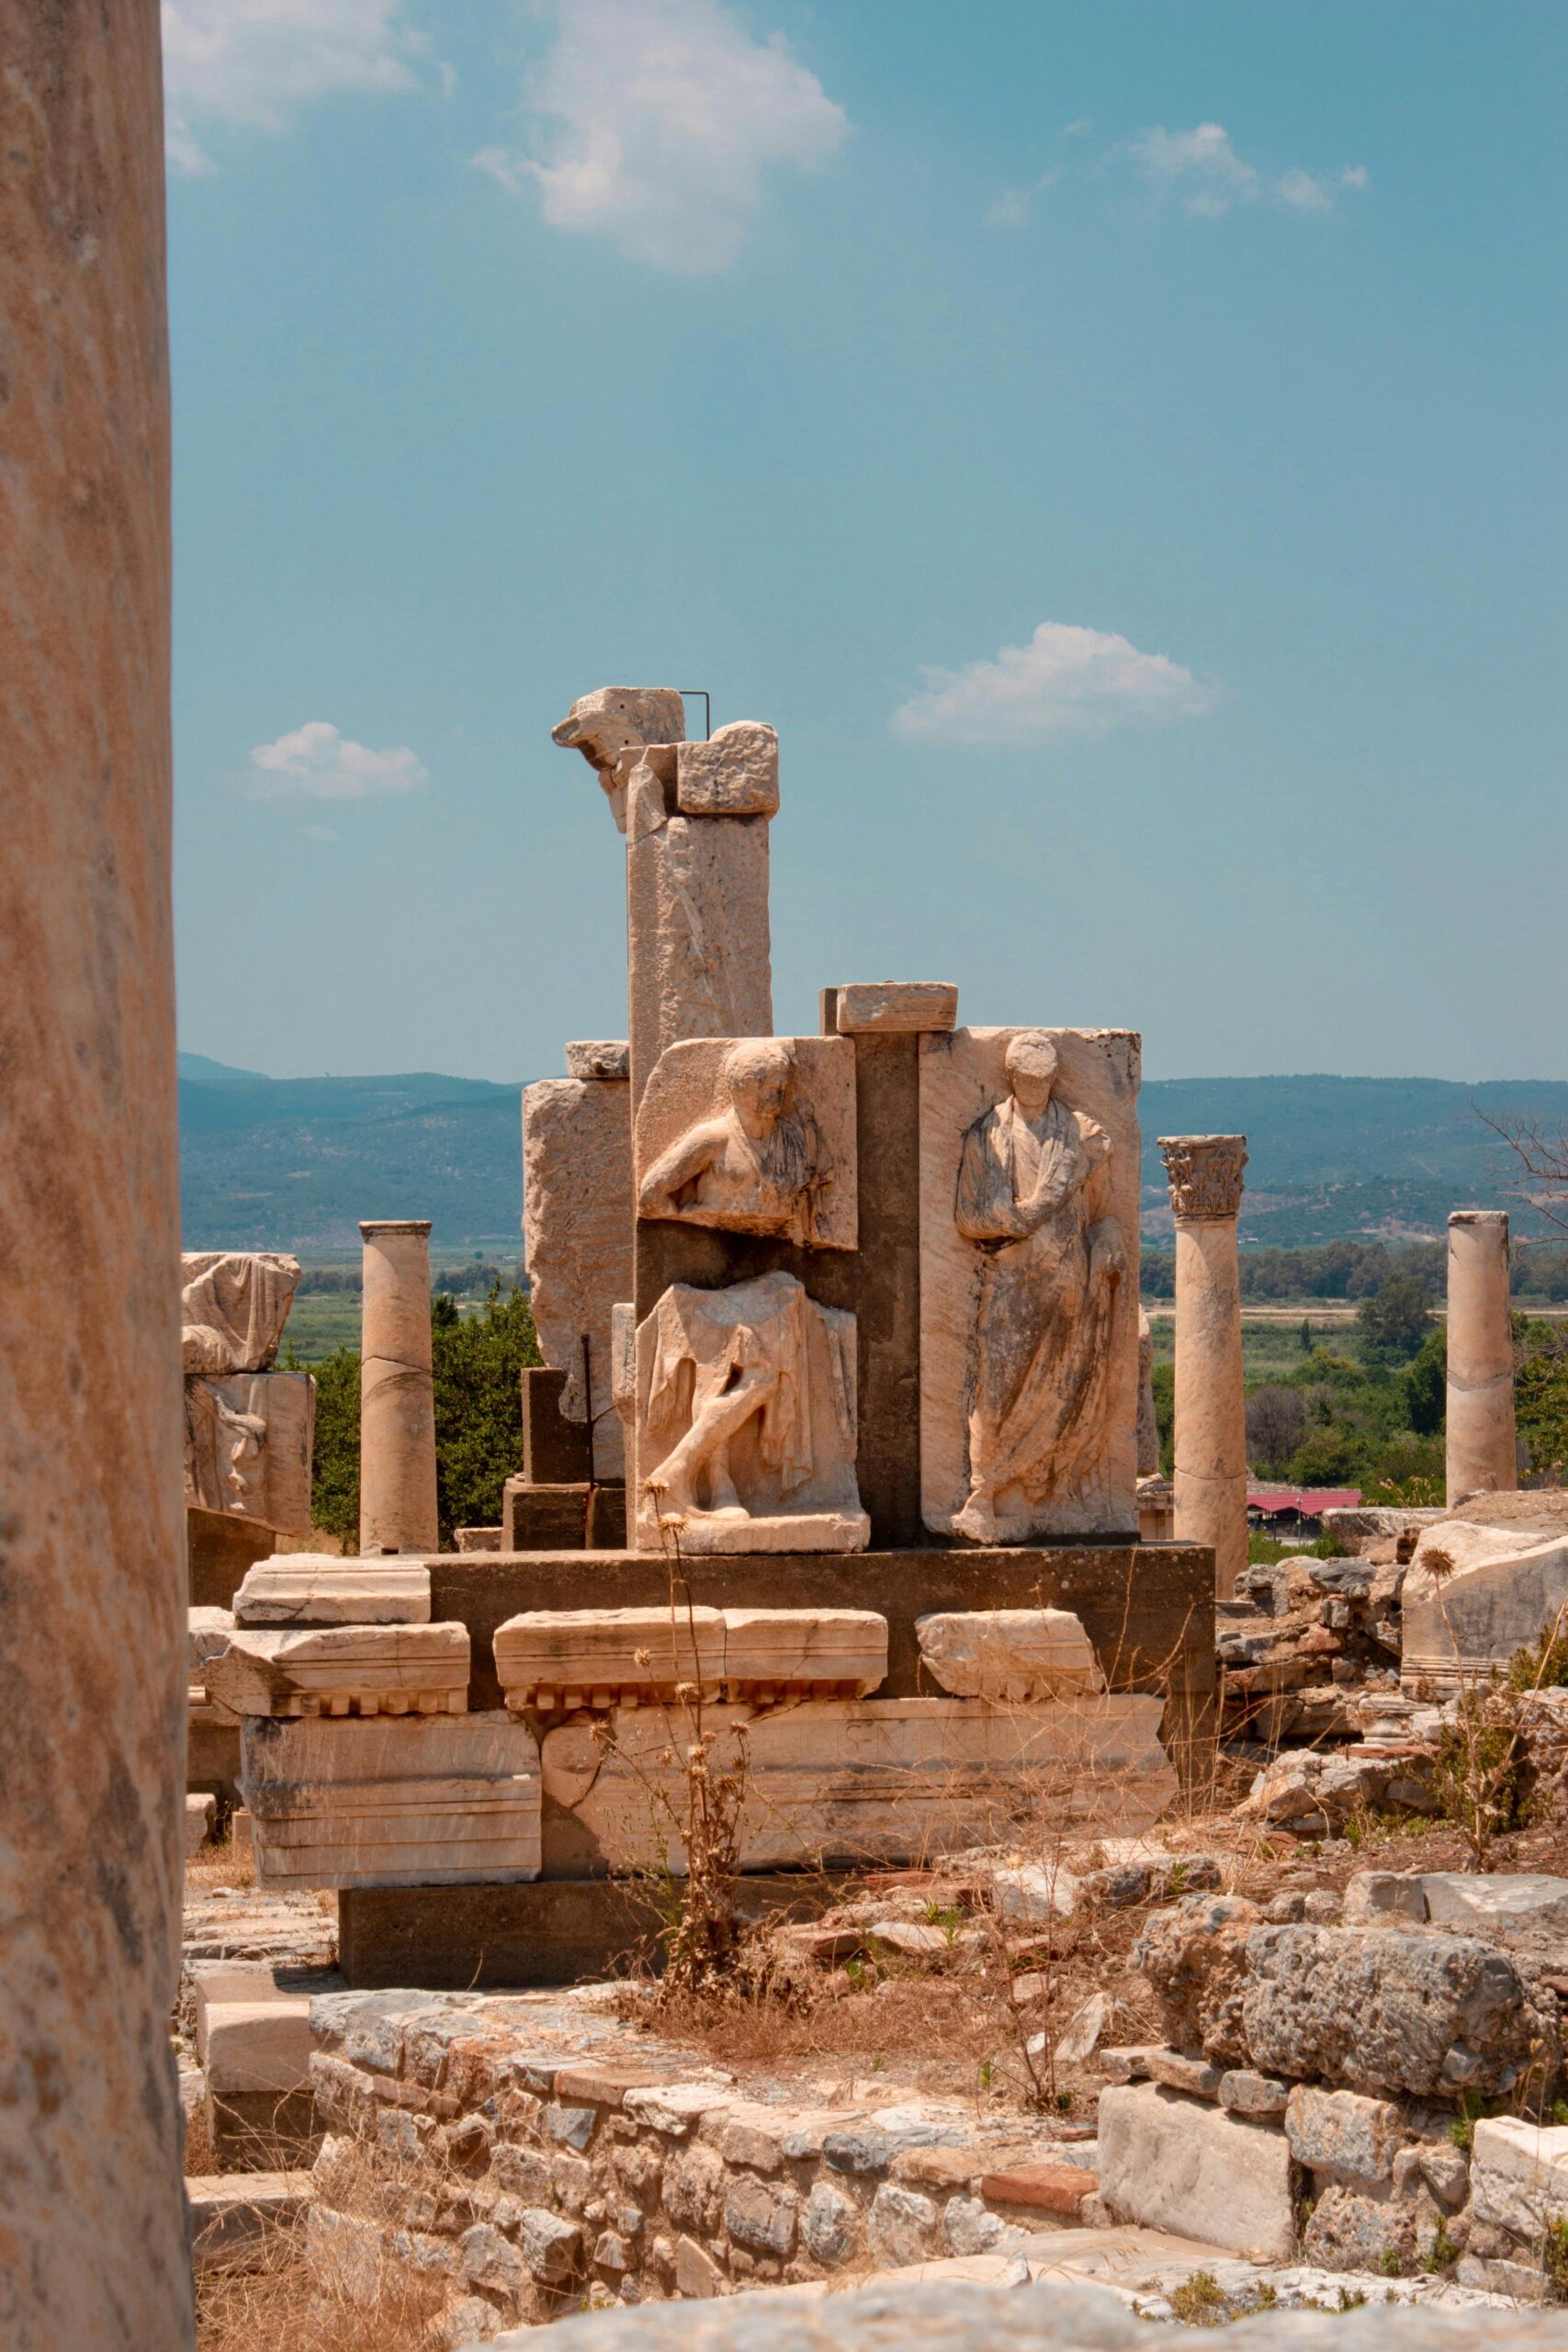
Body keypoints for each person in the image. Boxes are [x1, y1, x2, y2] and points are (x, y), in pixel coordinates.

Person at [953, 1031, 1123, 1543]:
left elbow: (1104, 1212)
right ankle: (985, 1492)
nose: (1035, 1087)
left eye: (1044, 1079)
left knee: (1065, 1387)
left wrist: (1107, 1242)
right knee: (996, 1392)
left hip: (1068, 1283)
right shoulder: (987, 1135)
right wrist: (1019, 1217)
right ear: (1011, 1077)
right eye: (1026, 1079)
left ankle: (1049, 1491)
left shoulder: (1082, 1137)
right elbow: (968, 1217)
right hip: (1009, 1280)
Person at [637, 1038, 828, 1243]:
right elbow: (651, 1195)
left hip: (782, 1246)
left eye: (783, 1086)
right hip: (716, 1244)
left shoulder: (795, 1136)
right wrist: (687, 1230)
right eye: (774, 1087)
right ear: (746, 1086)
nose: (781, 1094)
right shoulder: (713, 1138)